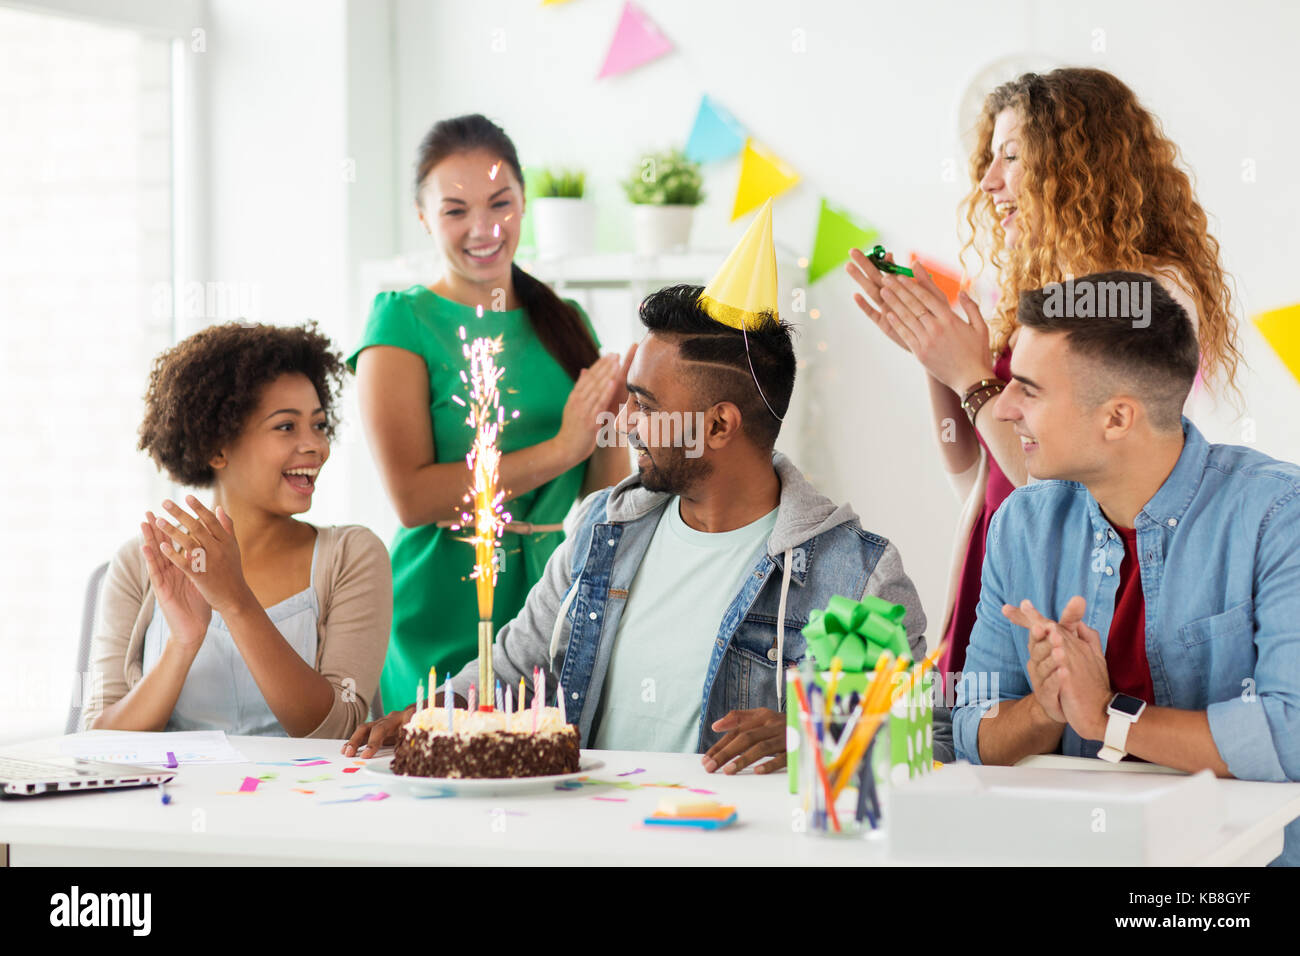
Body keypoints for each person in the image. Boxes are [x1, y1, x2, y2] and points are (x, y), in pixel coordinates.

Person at [346, 205, 930, 772]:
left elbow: (927, 736)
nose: (624, 422)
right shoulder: (605, 528)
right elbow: (509, 667)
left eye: (645, 406)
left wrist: (815, 735)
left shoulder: (855, 574)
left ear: (719, 424)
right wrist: (432, 713)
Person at [846, 67, 1244, 695]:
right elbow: (979, 479)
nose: (989, 181)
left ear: (1078, 168)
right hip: (1006, 559)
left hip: (1084, 580)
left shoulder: (1153, 295)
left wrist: (970, 374)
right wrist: (936, 359)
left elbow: (1063, 482)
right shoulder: (1037, 293)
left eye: (1012, 157)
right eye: (989, 157)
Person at [952, 273, 1300, 866]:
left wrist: (1110, 716)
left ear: (1116, 418)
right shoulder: (1020, 526)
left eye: (1028, 390)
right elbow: (969, 732)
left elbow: (1291, 734)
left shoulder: (1276, 516)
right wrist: (1046, 706)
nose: (1003, 408)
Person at [349, 113, 631, 712]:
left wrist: (615, 425)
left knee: (551, 778)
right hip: (442, 601)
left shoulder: (566, 322)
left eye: (500, 203)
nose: (483, 227)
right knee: (444, 771)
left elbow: (604, 496)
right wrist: (562, 448)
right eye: (455, 210)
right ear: (424, 218)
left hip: (551, 598)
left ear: (524, 204)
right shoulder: (401, 322)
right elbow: (413, 498)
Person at [84, 322, 392, 738]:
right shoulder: (140, 564)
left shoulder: (352, 556)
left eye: (318, 425)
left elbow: (337, 732)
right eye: (286, 426)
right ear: (217, 447)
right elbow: (102, 740)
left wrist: (236, 602)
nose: (317, 446)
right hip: (171, 800)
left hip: (307, 801)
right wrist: (183, 644)